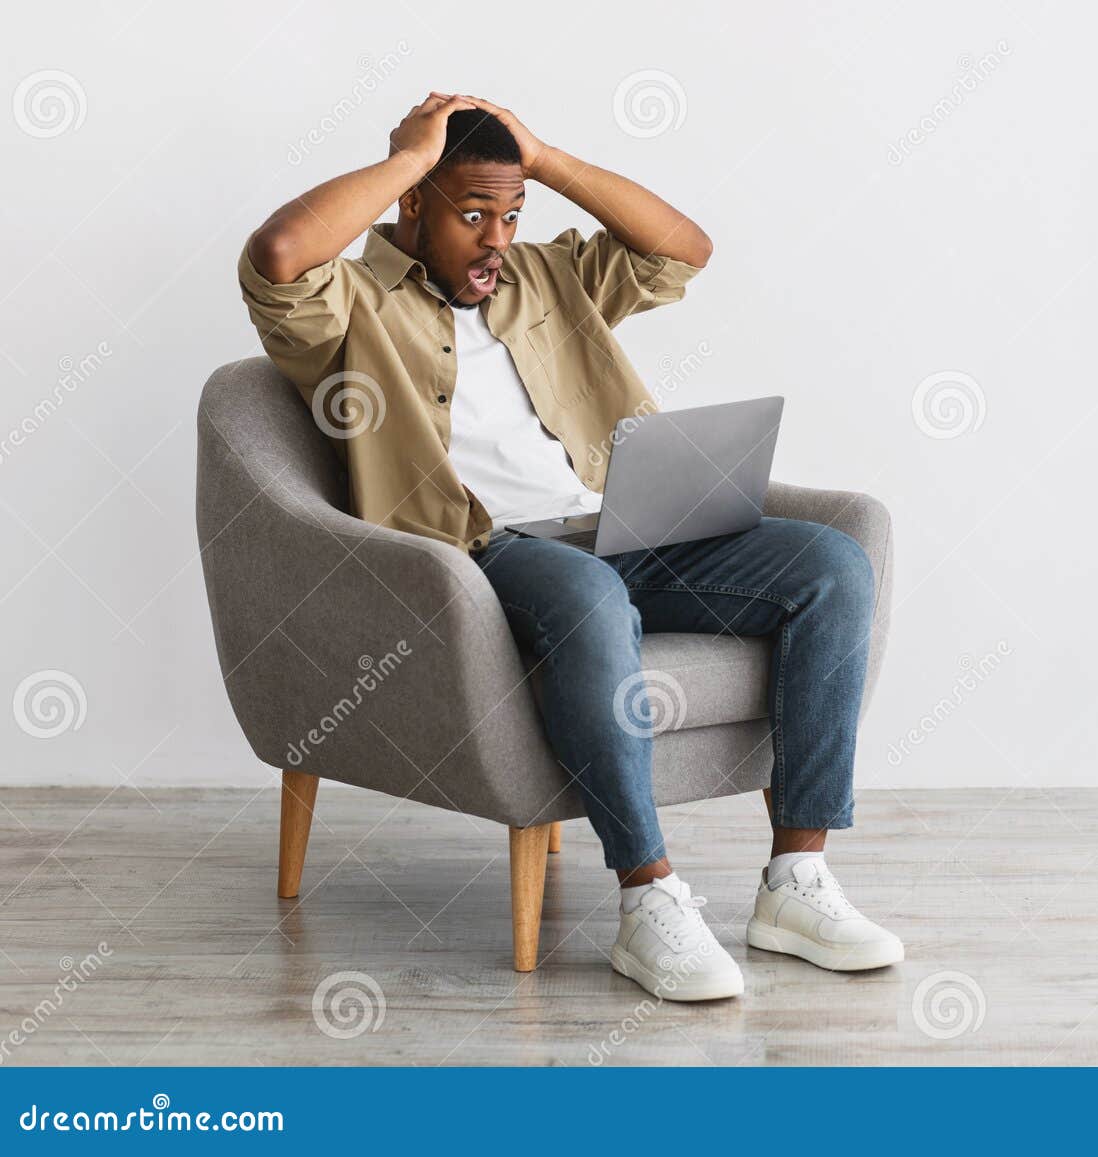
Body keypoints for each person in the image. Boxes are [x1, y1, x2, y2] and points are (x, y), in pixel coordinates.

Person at [237, 93, 903, 1001]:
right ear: (414, 207)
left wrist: (541, 158)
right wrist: (408, 157)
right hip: (486, 550)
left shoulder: (549, 278)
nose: (495, 239)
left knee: (830, 566)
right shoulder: (348, 304)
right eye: (472, 214)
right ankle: (647, 895)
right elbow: (277, 256)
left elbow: (683, 248)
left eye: (510, 216)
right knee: (591, 597)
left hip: (621, 525)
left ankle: (795, 880)